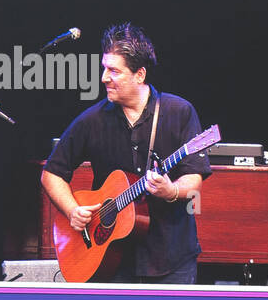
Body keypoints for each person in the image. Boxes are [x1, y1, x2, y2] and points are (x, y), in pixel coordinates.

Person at [42, 22, 211, 284]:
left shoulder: (179, 112)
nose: (104, 78)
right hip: (112, 263)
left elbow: (194, 180)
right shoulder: (92, 120)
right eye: (103, 69)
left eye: (114, 71)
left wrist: (172, 191)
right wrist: (72, 210)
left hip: (171, 259)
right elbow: (51, 174)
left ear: (139, 75)